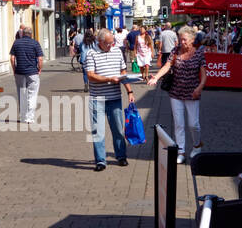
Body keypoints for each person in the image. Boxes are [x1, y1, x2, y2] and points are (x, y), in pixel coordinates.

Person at [148, 26, 206, 164]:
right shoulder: (175, 51)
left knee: (194, 124)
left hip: (192, 93)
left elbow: (204, 74)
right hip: (175, 92)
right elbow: (167, 66)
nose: (182, 42)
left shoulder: (198, 53)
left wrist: (200, 87)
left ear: (192, 40)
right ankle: (181, 151)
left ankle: (197, 145)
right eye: (180, 39)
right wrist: (156, 77)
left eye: (185, 39)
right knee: (179, 123)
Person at [83, 29, 134, 170]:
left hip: (114, 98)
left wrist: (129, 91)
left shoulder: (117, 51)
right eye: (109, 43)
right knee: (98, 131)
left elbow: (123, 72)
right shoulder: (91, 53)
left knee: (118, 129)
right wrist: (109, 79)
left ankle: (121, 156)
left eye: (113, 43)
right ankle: (100, 161)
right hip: (97, 98)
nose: (112, 45)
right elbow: (91, 75)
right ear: (100, 42)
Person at [10, 24, 44, 126]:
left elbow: (12, 58)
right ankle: (30, 117)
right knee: (32, 95)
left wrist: (14, 69)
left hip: (20, 72)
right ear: (31, 34)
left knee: (22, 94)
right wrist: (40, 68)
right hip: (32, 72)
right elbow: (40, 58)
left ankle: (23, 117)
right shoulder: (35, 43)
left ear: (23, 34)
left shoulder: (16, 43)